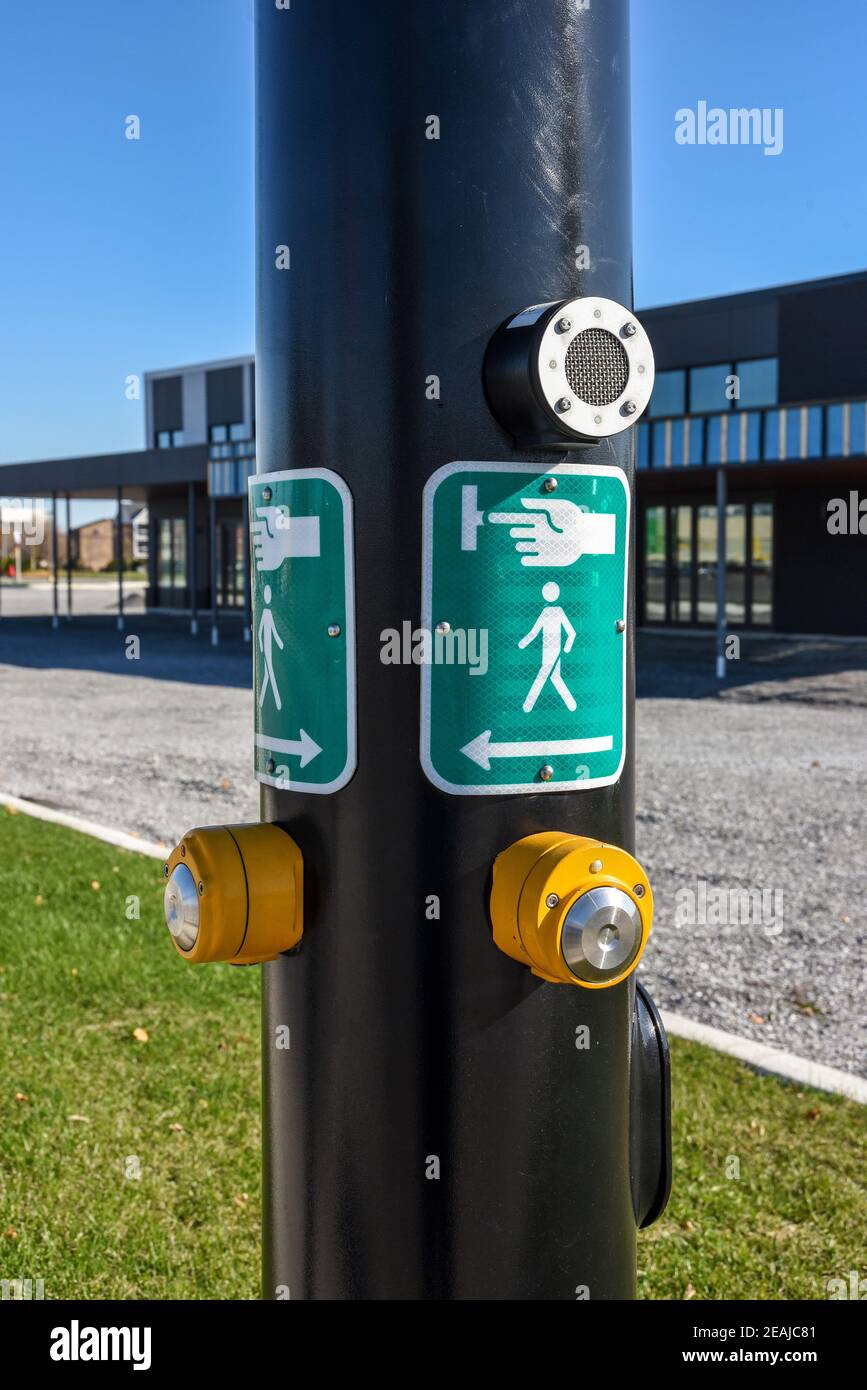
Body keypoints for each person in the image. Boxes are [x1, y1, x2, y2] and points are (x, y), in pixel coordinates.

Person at [518, 582, 577, 713]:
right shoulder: (549, 612)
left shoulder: (555, 612)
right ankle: (571, 705)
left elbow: (571, 632)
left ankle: (527, 706)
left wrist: (566, 648)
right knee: (554, 677)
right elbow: (534, 632)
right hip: (549, 653)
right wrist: (522, 643)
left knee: (544, 676)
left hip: (553, 653)